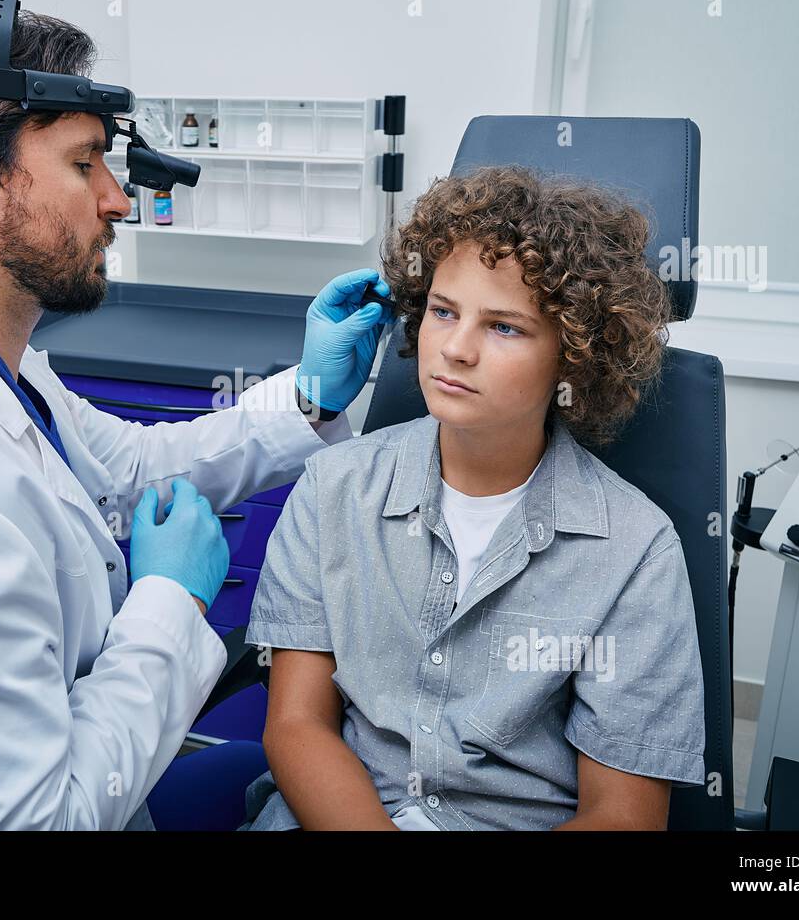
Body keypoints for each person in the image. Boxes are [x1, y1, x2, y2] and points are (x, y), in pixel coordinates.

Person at [0, 0, 392, 830]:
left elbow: (121, 470)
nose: (119, 201)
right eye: (86, 164)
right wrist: (167, 603)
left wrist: (309, 398)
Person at [242, 164, 707, 830]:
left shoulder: (635, 548)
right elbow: (295, 724)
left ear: (573, 356)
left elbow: (624, 817)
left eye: (505, 327)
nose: (454, 349)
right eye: (443, 311)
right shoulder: (332, 488)